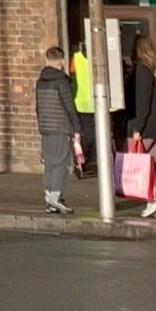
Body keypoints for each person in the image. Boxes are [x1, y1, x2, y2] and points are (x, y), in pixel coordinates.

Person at [128, 33, 156, 219]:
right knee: (155, 165)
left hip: (147, 125)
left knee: (139, 164)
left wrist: (137, 128)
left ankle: (154, 198)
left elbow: (143, 101)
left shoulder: (142, 70)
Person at [34, 45, 77, 215]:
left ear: (46, 60)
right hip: (61, 127)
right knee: (63, 162)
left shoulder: (40, 81)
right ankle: (56, 198)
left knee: (50, 164)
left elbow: (38, 108)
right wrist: (77, 127)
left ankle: (49, 198)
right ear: (63, 61)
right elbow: (69, 106)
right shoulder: (61, 81)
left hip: (45, 128)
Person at [69, 38, 96, 176]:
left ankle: (80, 162)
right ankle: (89, 161)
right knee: (95, 135)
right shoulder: (99, 58)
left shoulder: (75, 58)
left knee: (83, 136)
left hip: (80, 102)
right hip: (96, 103)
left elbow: (72, 78)